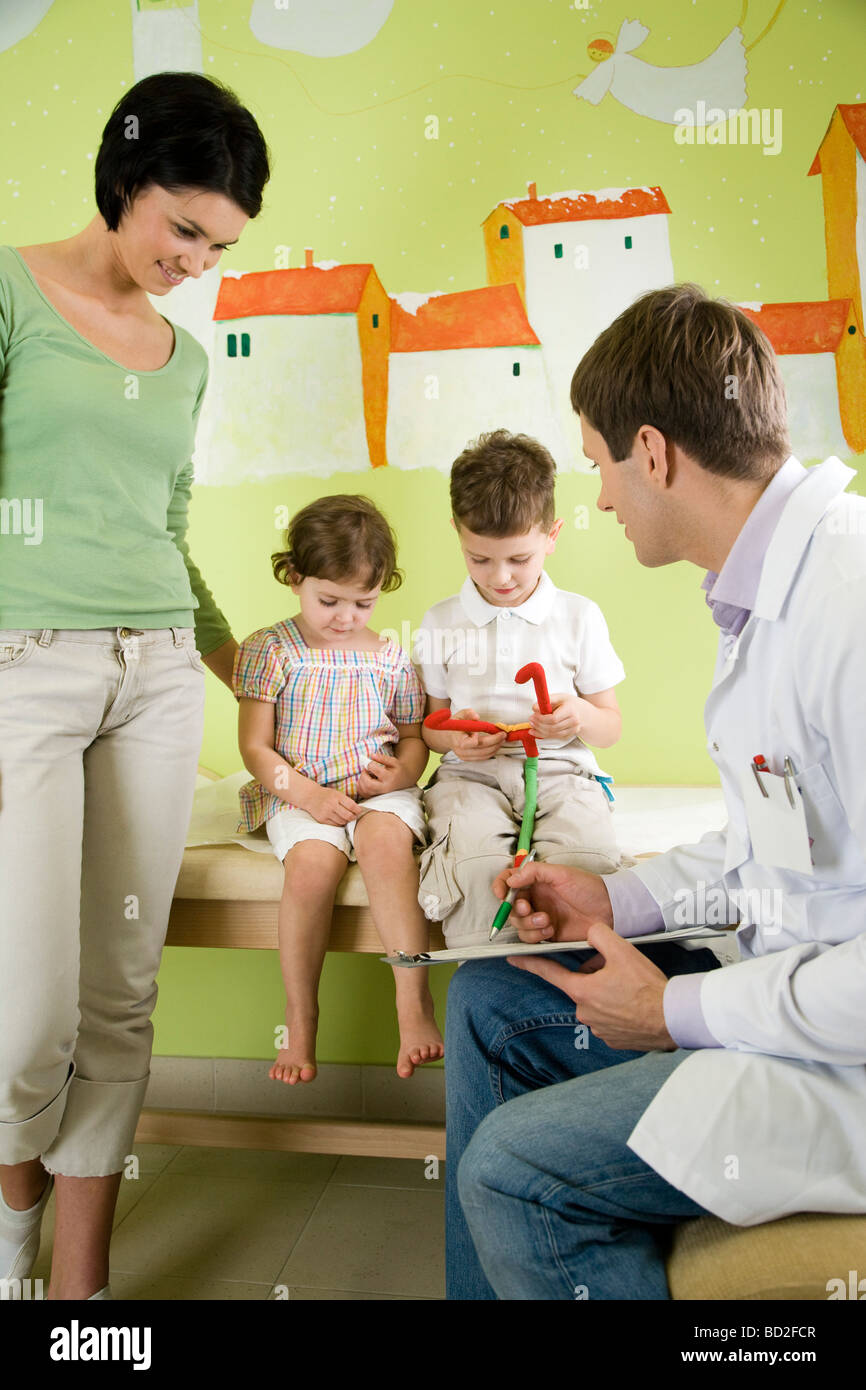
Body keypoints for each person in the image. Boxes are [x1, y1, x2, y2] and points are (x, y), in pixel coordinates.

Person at [446, 282, 866, 1300]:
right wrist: (612, 902)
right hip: (800, 996)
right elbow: (773, 841)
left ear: (652, 452)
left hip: (840, 1067)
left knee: (516, 1169)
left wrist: (677, 1006)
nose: (594, 497)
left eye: (595, 464)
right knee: (489, 998)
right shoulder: (769, 589)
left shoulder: (847, 603)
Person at [0, 72, 270, 1301]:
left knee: (122, 991)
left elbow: (163, 522)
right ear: (123, 180)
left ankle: (78, 1296)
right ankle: (13, 1214)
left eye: (218, 245)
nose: (195, 262)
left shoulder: (185, 356)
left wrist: (237, 658)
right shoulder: (11, 290)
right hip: (25, 668)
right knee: (26, 1022)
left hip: (156, 674)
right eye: (184, 228)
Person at [234, 495, 444, 1085]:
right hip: (300, 790)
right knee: (311, 869)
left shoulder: (389, 658)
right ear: (295, 577)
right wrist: (306, 796)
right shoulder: (270, 650)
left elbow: (413, 738)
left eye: (364, 602)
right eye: (329, 600)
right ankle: (300, 1020)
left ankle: (413, 999)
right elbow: (255, 749)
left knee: (384, 846)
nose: (346, 616)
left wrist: (403, 774)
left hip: (377, 791)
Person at [415, 429, 626, 948]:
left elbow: (611, 726)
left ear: (552, 536)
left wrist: (577, 715)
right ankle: (495, 971)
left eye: (519, 559)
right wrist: (455, 741)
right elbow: (428, 728)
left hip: (562, 772)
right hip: (472, 777)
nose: (501, 577)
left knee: (585, 865)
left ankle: (568, 974)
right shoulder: (440, 621)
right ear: (457, 534)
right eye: (479, 559)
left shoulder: (580, 616)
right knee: (474, 868)